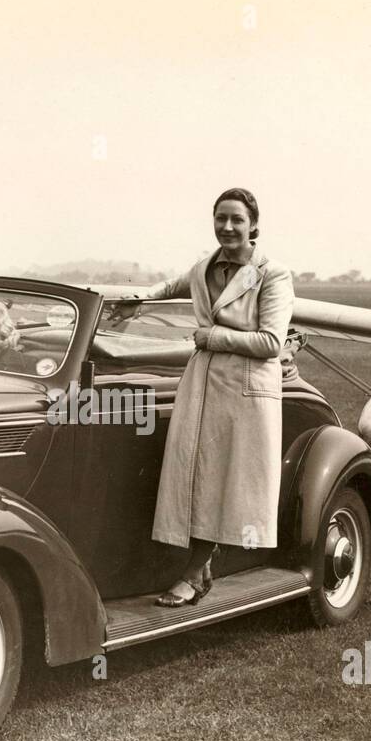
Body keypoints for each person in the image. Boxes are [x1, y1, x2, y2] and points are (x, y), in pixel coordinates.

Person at [145, 188, 295, 606]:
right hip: (203, 384)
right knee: (195, 479)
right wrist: (132, 303)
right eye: (220, 219)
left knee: (226, 484)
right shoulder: (203, 268)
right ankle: (198, 567)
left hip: (245, 392)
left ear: (253, 227)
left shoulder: (272, 274)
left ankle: (193, 574)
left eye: (236, 220)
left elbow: (270, 341)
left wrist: (212, 336)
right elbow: (168, 287)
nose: (227, 227)